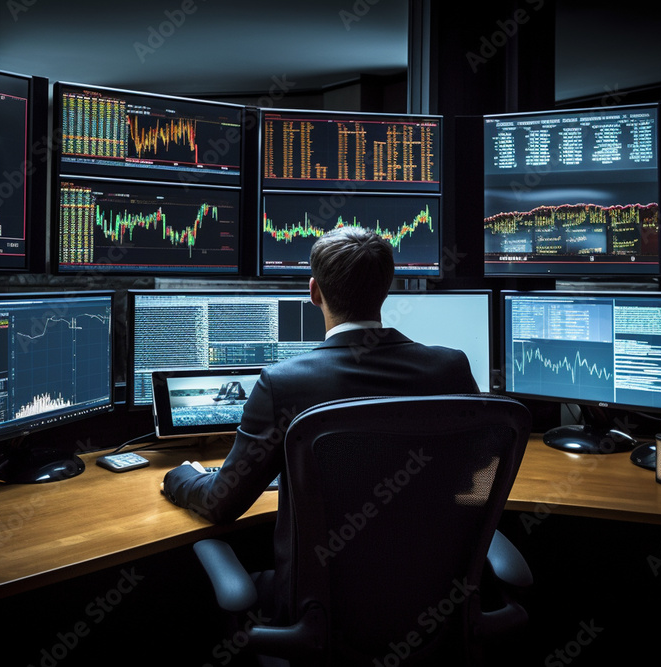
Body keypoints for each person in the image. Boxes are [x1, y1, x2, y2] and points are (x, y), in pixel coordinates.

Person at [161, 226, 480, 622]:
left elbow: (221, 504)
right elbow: (476, 484)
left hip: (323, 612)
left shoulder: (284, 383)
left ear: (314, 292)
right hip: (434, 604)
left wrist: (181, 477)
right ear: (387, 289)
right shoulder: (451, 368)